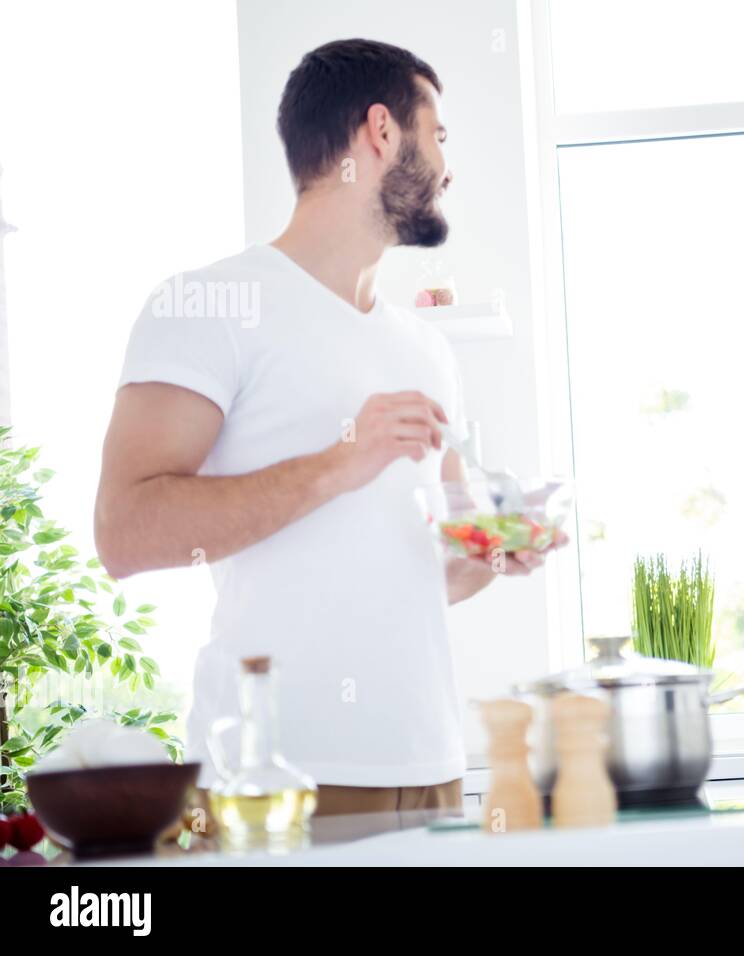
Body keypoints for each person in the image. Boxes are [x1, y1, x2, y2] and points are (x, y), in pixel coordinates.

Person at [93, 38, 565, 821]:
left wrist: (493, 551)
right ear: (381, 132)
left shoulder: (425, 349)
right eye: (437, 134)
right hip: (280, 780)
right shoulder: (208, 305)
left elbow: (427, 572)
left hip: (432, 769)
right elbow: (124, 534)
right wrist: (338, 462)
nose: (449, 166)